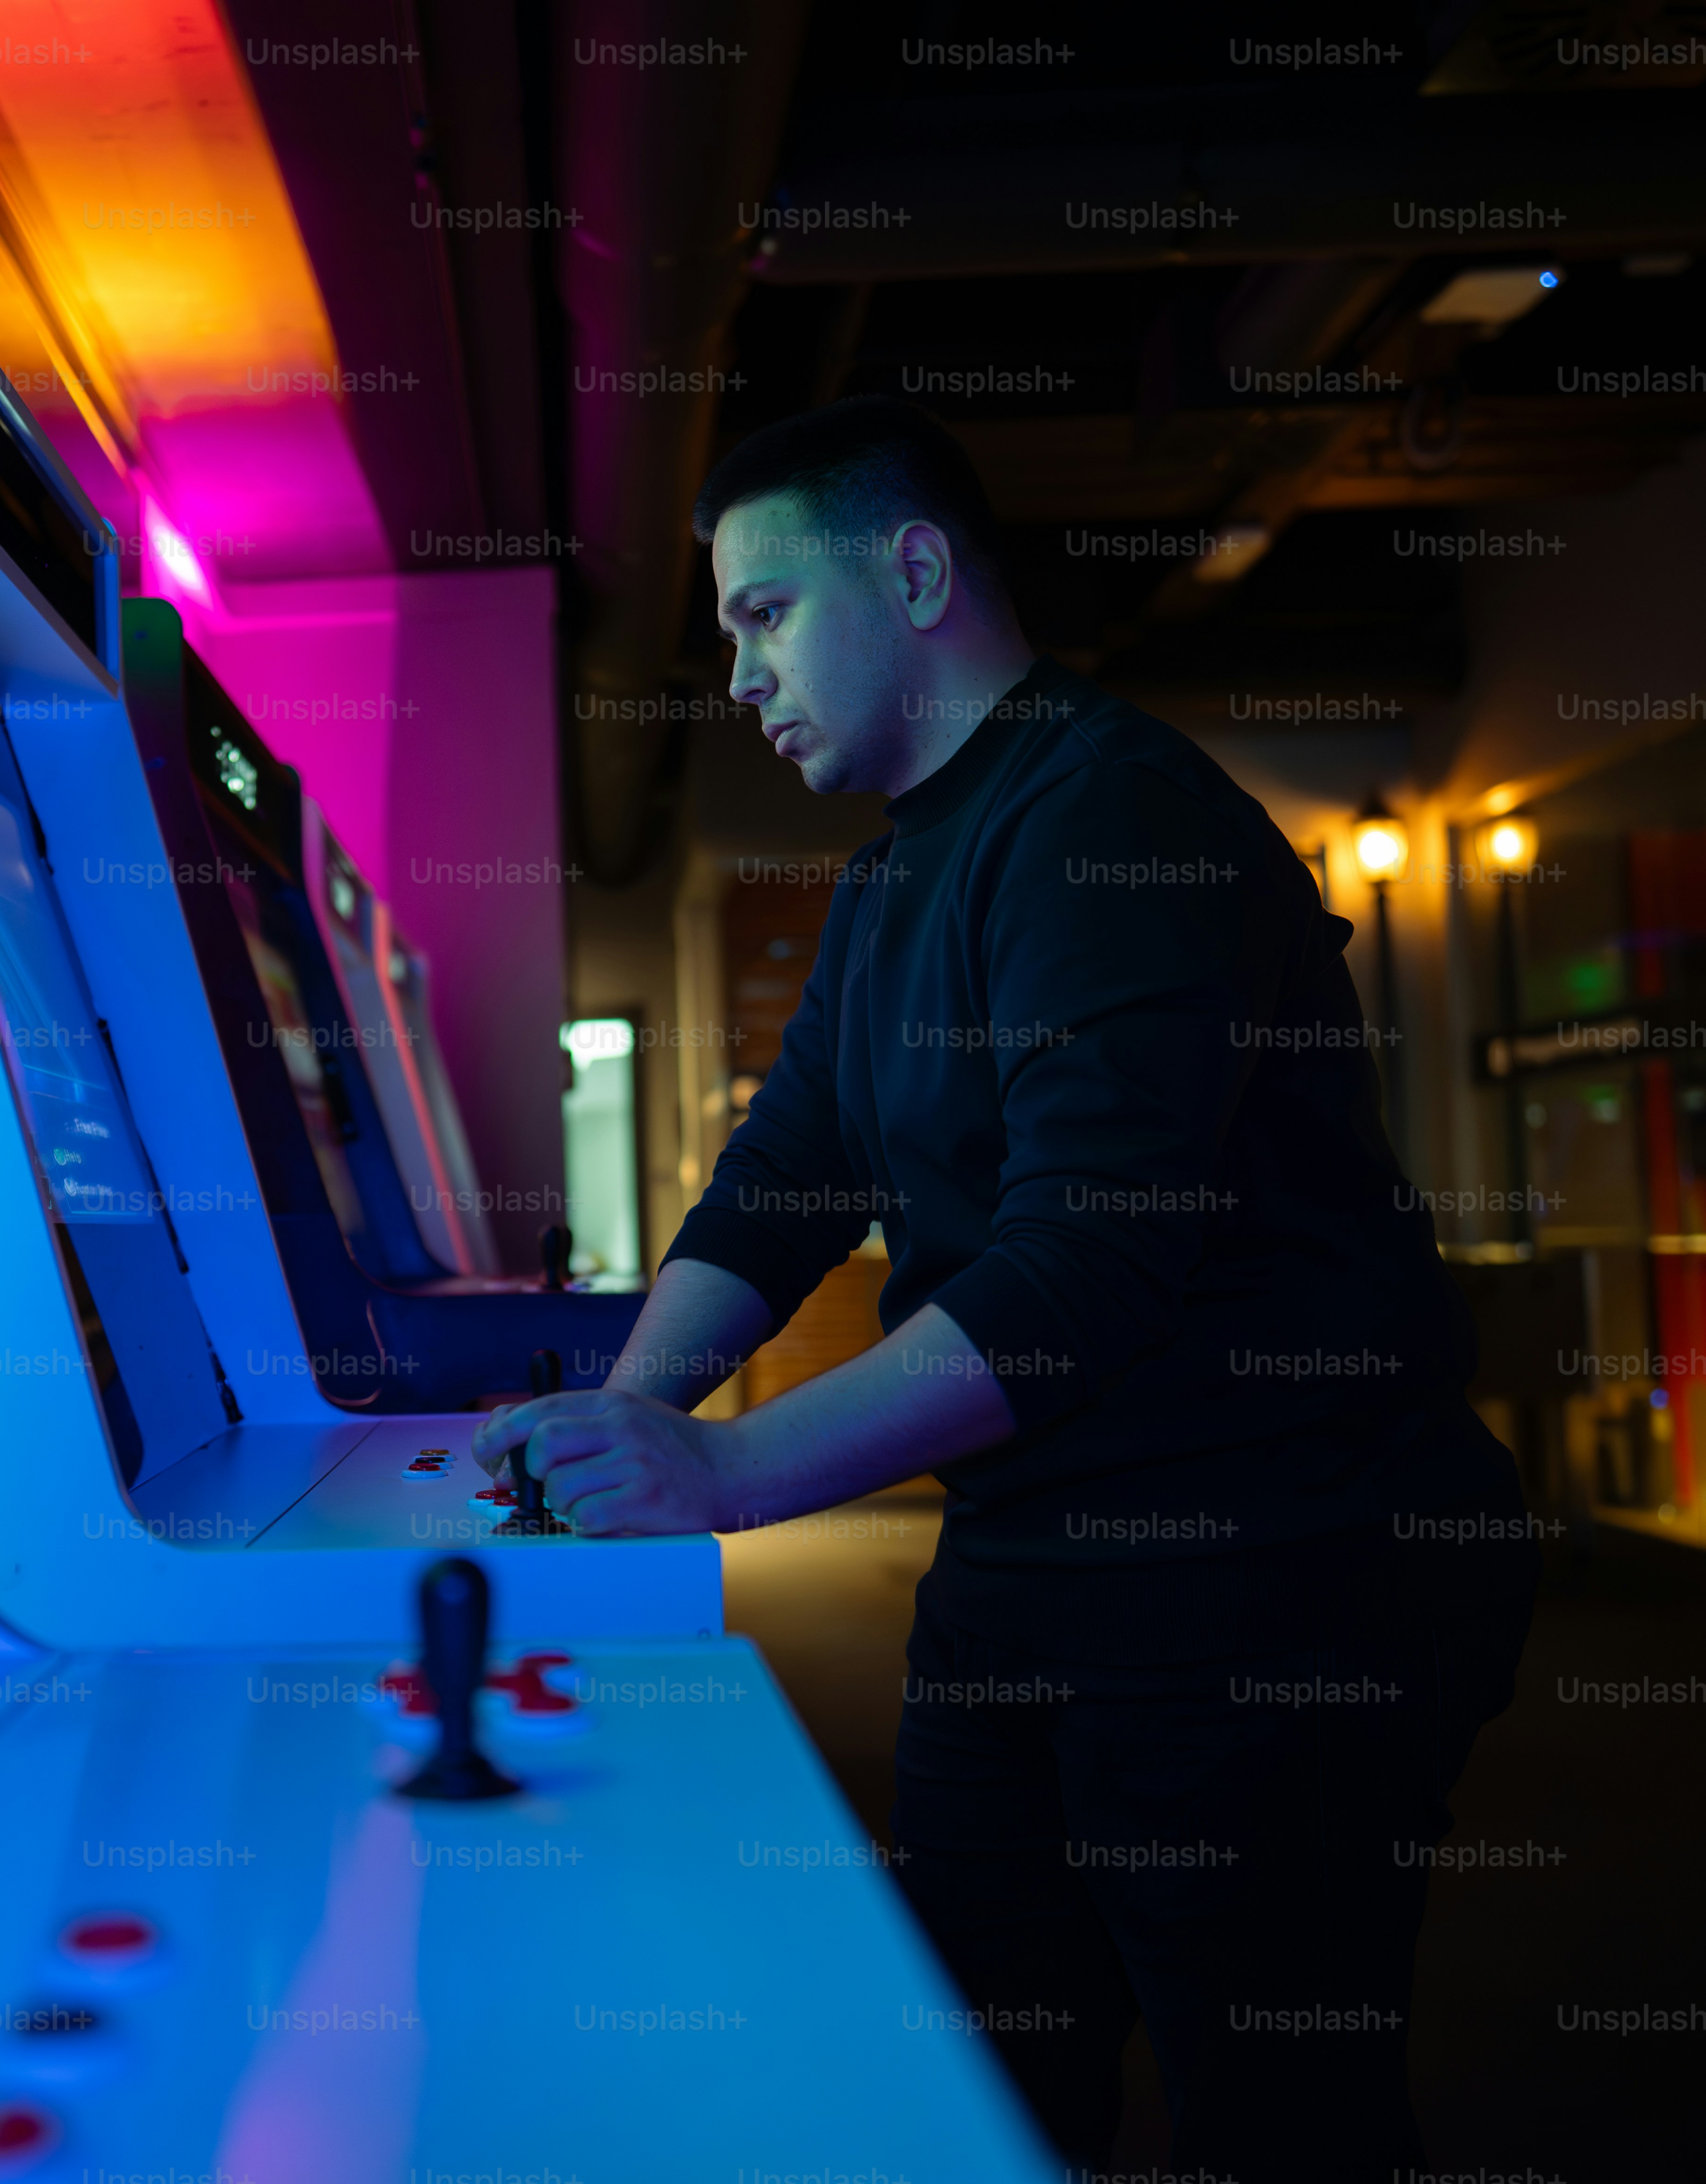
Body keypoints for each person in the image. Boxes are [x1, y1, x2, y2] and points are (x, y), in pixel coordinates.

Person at [475, 396, 1535, 2179]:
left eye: (763, 615)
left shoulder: (1109, 818)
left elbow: (1085, 1267)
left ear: (913, 570)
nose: (736, 677)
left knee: (1276, 2123)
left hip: (1270, 1589)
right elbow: (784, 1178)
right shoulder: (900, 877)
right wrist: (637, 1408)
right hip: (1036, 1574)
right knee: (969, 2083)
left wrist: (726, 1478)